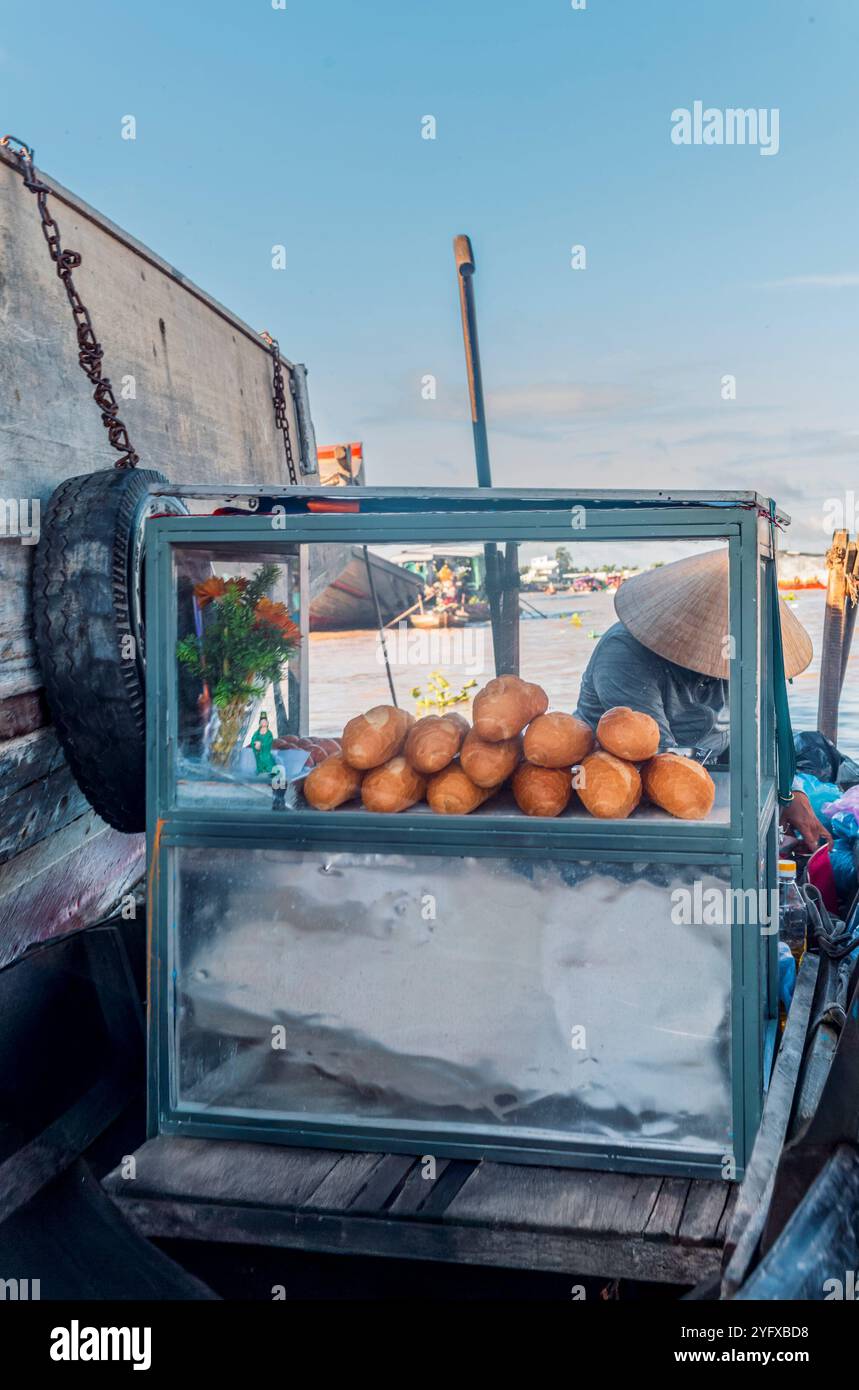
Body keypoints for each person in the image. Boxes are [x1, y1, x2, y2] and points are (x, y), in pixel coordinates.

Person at [575, 548, 830, 849]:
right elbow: (660, 765)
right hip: (625, 797)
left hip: (709, 780)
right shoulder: (625, 655)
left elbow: (758, 730)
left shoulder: (737, 654)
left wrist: (788, 792)